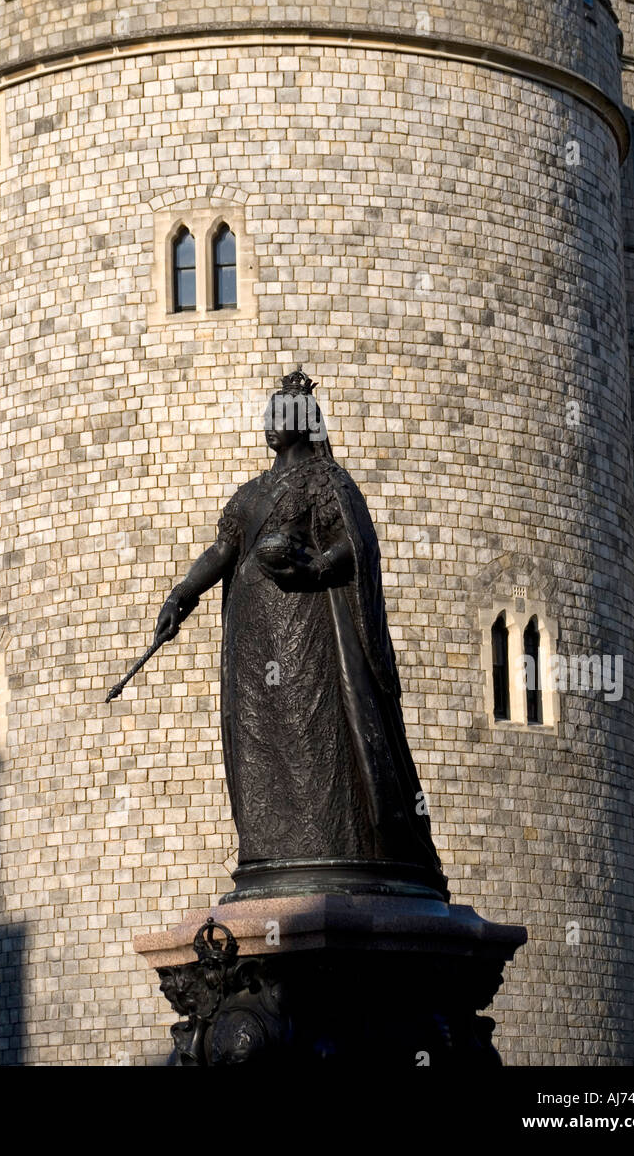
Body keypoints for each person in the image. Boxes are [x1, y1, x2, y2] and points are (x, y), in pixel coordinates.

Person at [155, 369, 448, 902]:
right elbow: (223, 551)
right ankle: (274, 851)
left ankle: (336, 847)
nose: (270, 426)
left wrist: (314, 566)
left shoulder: (326, 482)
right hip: (254, 640)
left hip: (311, 634)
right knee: (261, 742)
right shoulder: (251, 494)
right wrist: (183, 593)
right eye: (269, 417)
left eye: (280, 418)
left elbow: (355, 547)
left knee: (316, 736)